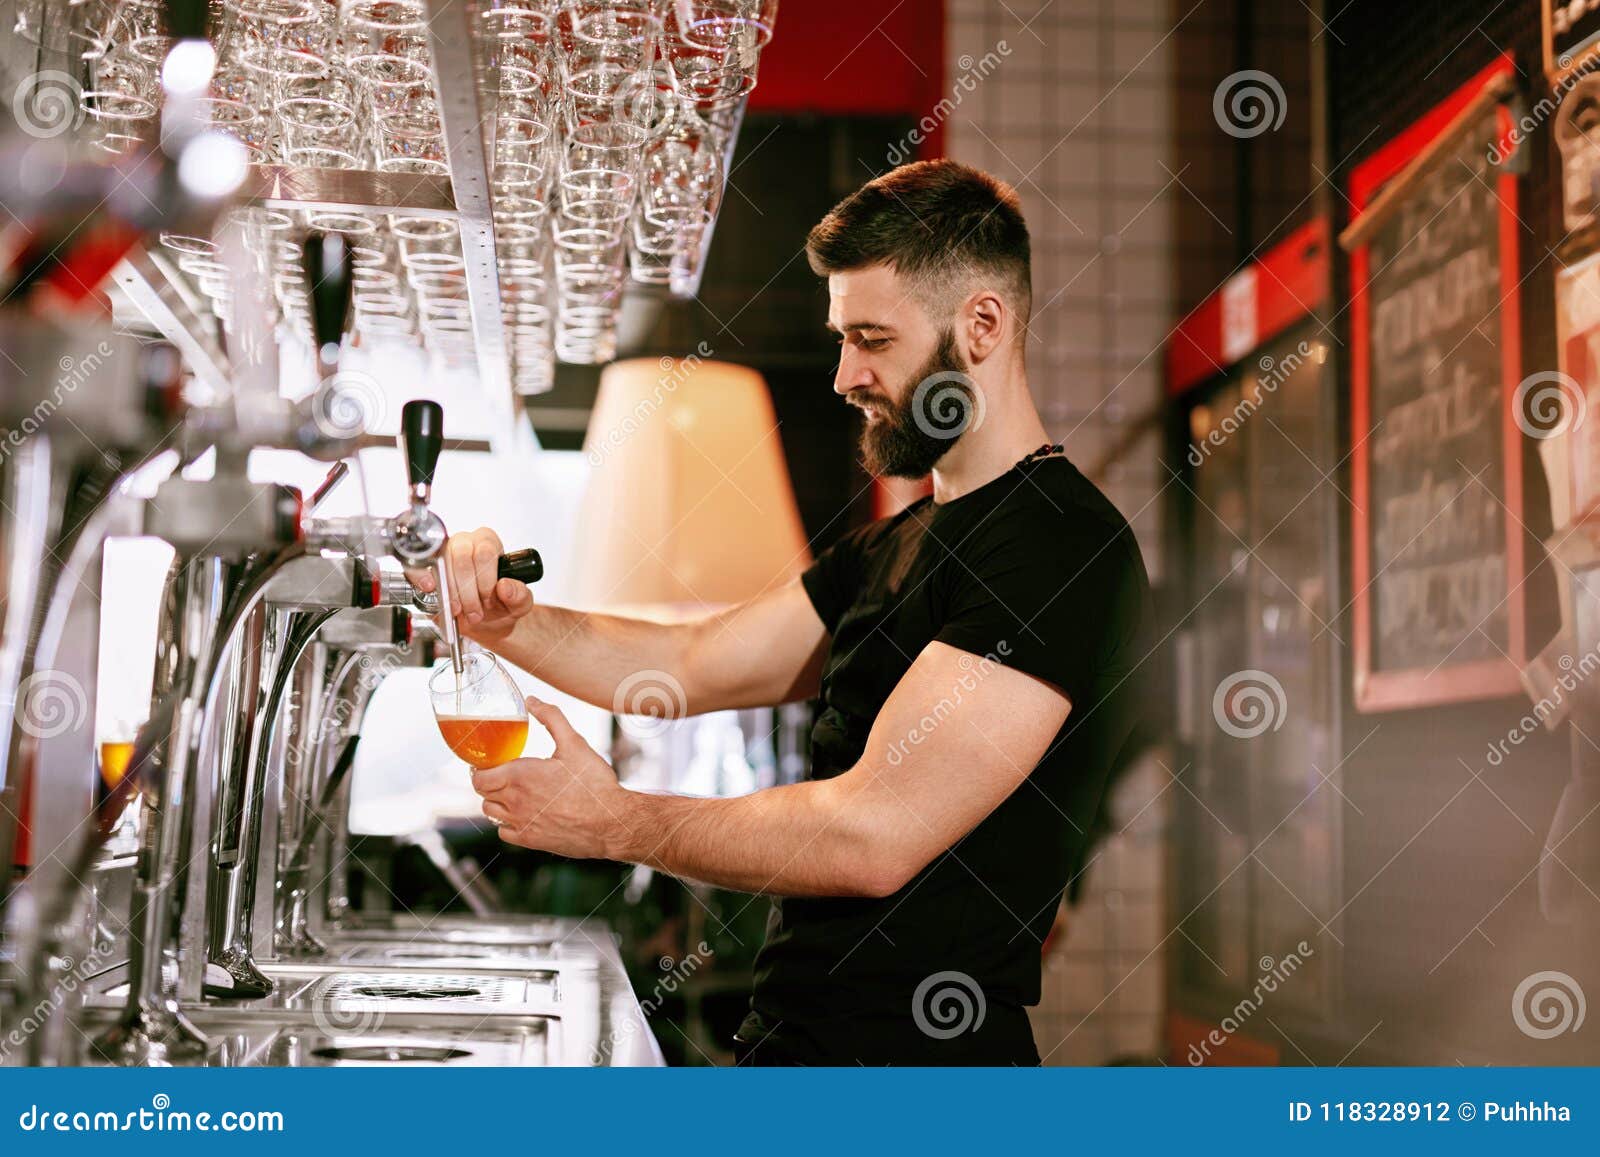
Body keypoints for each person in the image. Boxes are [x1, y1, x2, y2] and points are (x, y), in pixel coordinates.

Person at [419, 159, 1153, 1066]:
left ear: (983, 325)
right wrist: (493, 615)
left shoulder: (1056, 544)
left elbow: (872, 833)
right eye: (841, 338)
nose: (845, 374)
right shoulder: (899, 543)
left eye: (872, 338)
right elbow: (685, 663)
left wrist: (615, 821)